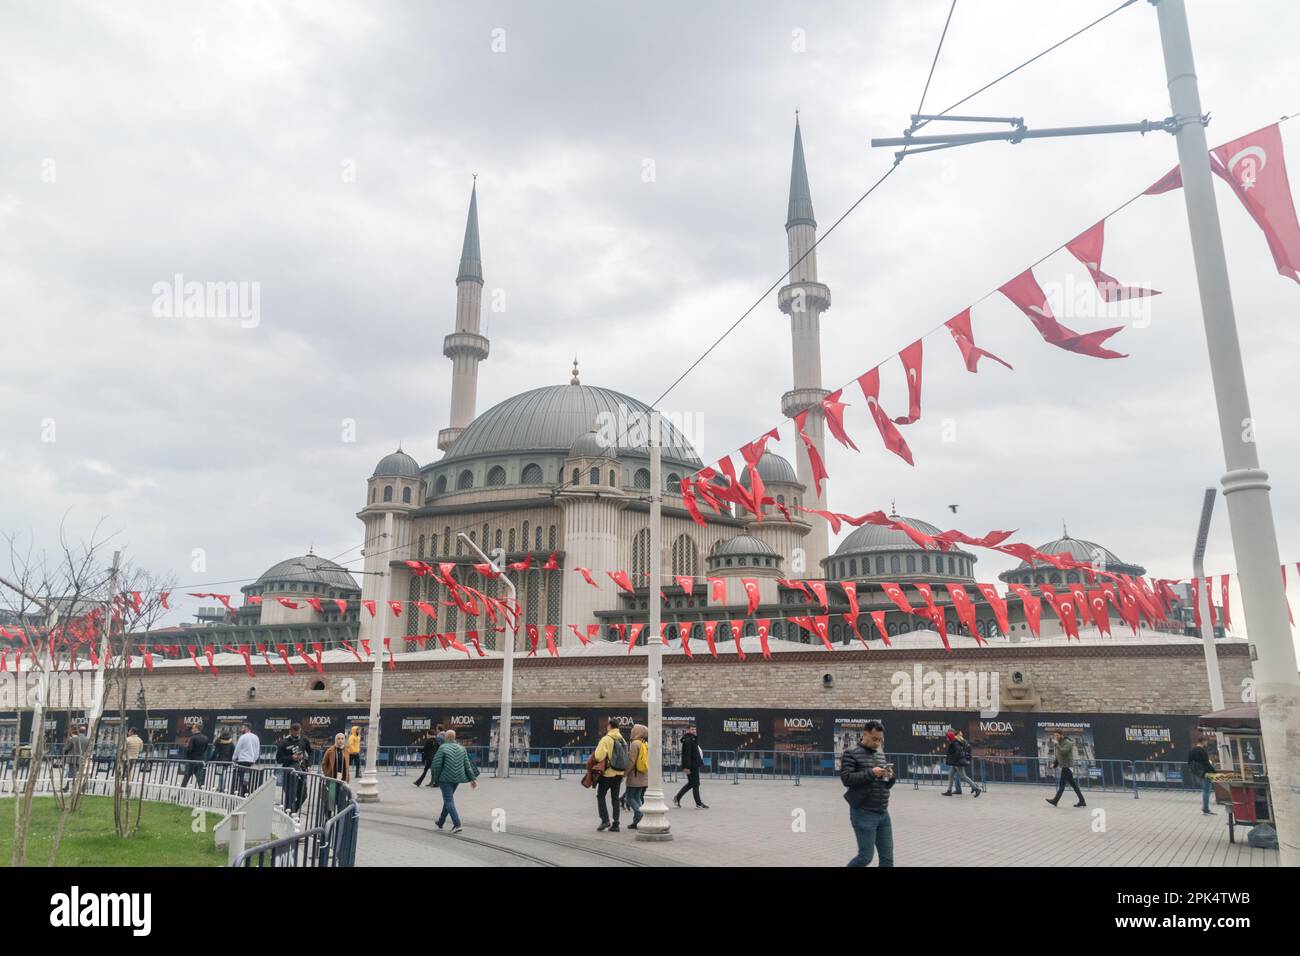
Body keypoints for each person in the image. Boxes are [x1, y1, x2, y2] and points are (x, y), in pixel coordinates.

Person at [840, 719, 895, 867]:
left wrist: (889, 777)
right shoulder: (850, 753)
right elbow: (846, 779)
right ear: (865, 734)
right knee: (865, 857)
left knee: (887, 859)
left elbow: (885, 785)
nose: (877, 743)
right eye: (874, 739)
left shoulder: (879, 754)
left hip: (883, 812)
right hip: (863, 812)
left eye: (880, 739)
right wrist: (871, 773)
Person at [428, 729, 478, 833]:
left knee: (448, 800)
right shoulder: (462, 748)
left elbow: (436, 765)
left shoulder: (442, 748)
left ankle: (457, 824)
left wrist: (434, 779)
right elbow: (467, 765)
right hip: (457, 778)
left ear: (446, 737)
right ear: (454, 737)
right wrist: (472, 779)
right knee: (448, 800)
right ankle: (440, 822)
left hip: (445, 779)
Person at [592, 718, 627, 832]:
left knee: (600, 796)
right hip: (619, 773)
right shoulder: (622, 740)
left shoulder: (606, 739)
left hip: (608, 773)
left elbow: (599, 756)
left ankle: (605, 820)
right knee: (615, 798)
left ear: (609, 727)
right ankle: (616, 824)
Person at [1045, 730, 1086, 808]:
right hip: (1064, 766)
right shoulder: (1060, 743)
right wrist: (1054, 764)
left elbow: (1064, 752)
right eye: (1055, 736)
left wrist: (1057, 745)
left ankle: (1055, 801)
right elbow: (1058, 755)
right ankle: (1082, 801)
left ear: (1061, 735)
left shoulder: (1067, 742)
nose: (1055, 737)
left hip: (1067, 766)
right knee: (1074, 785)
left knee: (1061, 785)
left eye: (1057, 735)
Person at [673, 724, 708, 809]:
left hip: (694, 765)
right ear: (688, 730)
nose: (694, 731)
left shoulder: (692, 738)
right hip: (691, 766)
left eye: (695, 729)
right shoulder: (688, 740)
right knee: (695, 784)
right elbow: (686, 755)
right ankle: (698, 803)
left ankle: (677, 798)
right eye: (692, 729)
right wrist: (686, 767)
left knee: (692, 784)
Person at [276, 724, 309, 814]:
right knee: (290, 796)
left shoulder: (303, 740)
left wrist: (308, 765)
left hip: (301, 771)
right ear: (291, 731)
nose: (297, 734)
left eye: (298, 732)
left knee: (303, 795)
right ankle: (288, 816)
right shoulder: (284, 742)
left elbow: (309, 752)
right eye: (295, 733)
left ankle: (292, 812)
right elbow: (278, 759)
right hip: (289, 773)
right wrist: (291, 757)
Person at [624, 724, 650, 830]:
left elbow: (631, 761)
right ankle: (637, 822)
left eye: (633, 730)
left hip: (634, 776)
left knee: (629, 798)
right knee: (637, 797)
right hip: (643, 775)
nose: (632, 732)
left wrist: (624, 773)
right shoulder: (645, 743)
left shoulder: (635, 744)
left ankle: (639, 814)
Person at [942, 730, 981, 797]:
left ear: (950, 737)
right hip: (955, 762)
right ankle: (949, 791)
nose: (946, 738)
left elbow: (958, 752)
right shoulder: (954, 742)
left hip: (957, 762)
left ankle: (976, 788)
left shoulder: (954, 743)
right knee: (950, 775)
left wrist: (954, 759)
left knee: (963, 776)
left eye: (947, 737)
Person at [1188, 735, 1219, 815]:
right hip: (1206, 772)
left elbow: (1189, 762)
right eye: (1206, 741)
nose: (1207, 743)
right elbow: (1206, 763)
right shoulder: (1202, 751)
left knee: (1205, 789)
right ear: (1203, 741)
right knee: (1206, 790)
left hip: (1198, 772)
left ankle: (1205, 807)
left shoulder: (1192, 750)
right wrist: (1214, 772)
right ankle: (1205, 808)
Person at [320, 732, 350, 814]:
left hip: (343, 781)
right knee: (331, 801)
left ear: (344, 740)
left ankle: (340, 820)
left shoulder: (346, 751)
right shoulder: (330, 750)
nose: (340, 740)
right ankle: (328, 819)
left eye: (342, 739)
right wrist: (327, 774)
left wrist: (347, 779)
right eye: (338, 738)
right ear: (335, 740)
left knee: (341, 801)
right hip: (332, 780)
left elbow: (347, 766)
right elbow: (324, 764)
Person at [233, 723, 260, 796]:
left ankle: (244, 792)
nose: (242, 729)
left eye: (243, 728)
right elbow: (257, 750)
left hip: (242, 760)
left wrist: (234, 758)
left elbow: (238, 748)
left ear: (247, 728)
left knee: (241, 777)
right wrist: (254, 759)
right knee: (246, 776)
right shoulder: (256, 737)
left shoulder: (243, 737)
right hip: (250, 760)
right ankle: (245, 791)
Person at [180, 724, 209, 788]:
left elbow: (189, 750)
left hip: (191, 761)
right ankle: (202, 797)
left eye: (193, 728)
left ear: (197, 729)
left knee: (186, 779)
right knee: (200, 780)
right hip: (200, 761)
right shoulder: (206, 738)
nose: (192, 730)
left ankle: (179, 795)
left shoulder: (192, 738)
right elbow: (205, 749)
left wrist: (186, 748)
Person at [63, 725, 89, 792]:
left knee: (71, 773)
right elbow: (88, 750)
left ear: (79, 731)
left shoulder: (74, 738)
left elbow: (67, 748)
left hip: (72, 759)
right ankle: (79, 787)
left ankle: (68, 787)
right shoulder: (87, 740)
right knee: (79, 773)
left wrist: (64, 750)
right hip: (81, 759)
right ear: (85, 732)